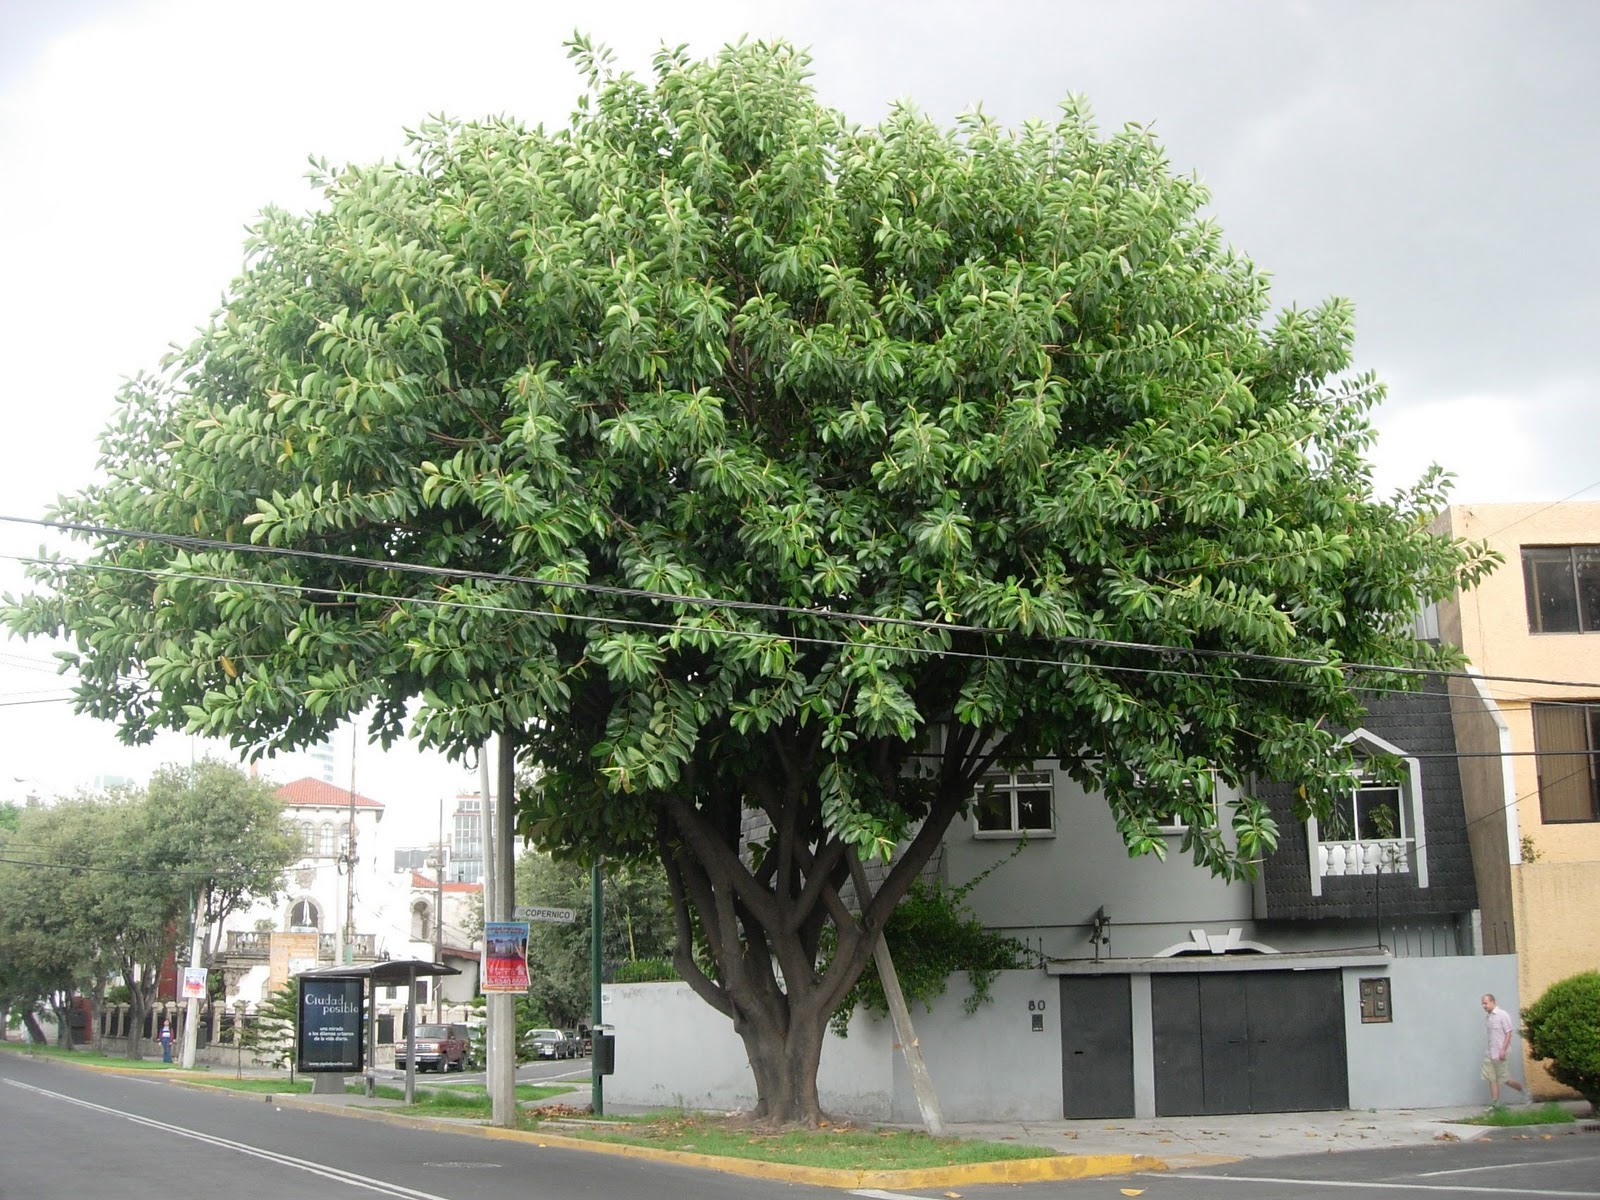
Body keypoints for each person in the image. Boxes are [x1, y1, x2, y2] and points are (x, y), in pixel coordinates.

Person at [1480, 993, 1524, 1104]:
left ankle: (1524, 1091)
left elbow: (1508, 1033)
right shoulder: (1488, 1017)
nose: (1484, 1006)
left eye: (1486, 1003)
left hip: (1501, 1053)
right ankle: (1495, 1104)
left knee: (1505, 1079)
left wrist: (1503, 1050)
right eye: (1482, 1003)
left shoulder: (1502, 1014)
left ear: (1493, 1002)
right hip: (1490, 1053)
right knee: (1491, 1077)